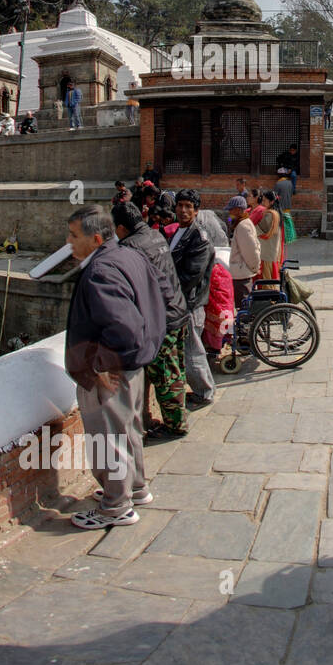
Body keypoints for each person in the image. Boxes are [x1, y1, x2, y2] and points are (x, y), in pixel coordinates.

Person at [61, 205, 162, 530]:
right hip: (133, 366)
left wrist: (101, 367)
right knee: (129, 430)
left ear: (95, 238)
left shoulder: (100, 271)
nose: (68, 242)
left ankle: (115, 507)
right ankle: (136, 487)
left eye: (74, 236)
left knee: (108, 440)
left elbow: (124, 327)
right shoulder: (129, 255)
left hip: (111, 371)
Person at [116, 201, 190, 438]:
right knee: (177, 369)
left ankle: (176, 426)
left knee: (166, 376)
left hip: (162, 321)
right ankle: (179, 416)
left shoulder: (130, 247)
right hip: (178, 309)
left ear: (120, 227)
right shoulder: (156, 236)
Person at [166, 191, 220, 413]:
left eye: (189, 206)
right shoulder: (179, 232)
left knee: (191, 351)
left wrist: (166, 292)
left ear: (197, 210)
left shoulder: (199, 238)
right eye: (180, 205)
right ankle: (206, 388)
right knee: (193, 348)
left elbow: (191, 276)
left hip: (190, 302)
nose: (183, 210)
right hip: (182, 301)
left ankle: (203, 392)